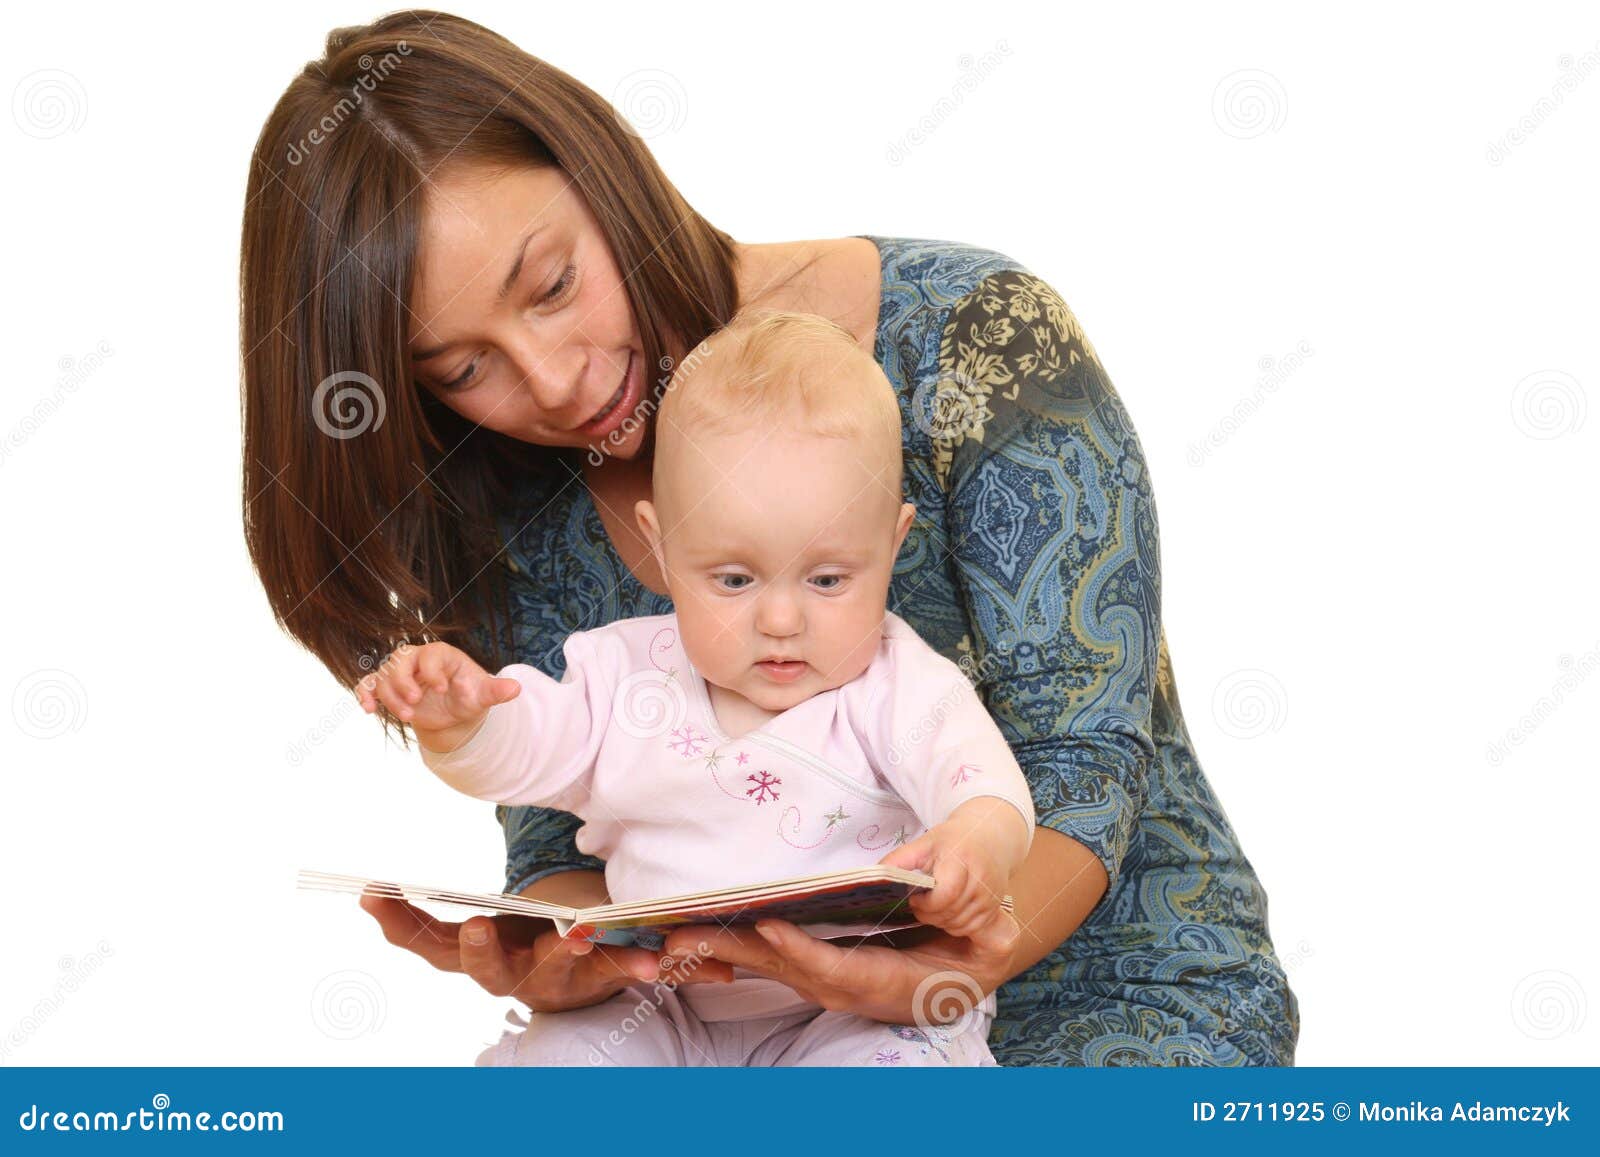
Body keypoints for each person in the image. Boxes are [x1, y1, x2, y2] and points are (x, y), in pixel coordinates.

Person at [240, 10, 1301, 1065]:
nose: (555, 381)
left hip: (1114, 993)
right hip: (718, 1025)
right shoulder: (498, 494)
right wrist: (565, 949)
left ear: (602, 164)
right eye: (465, 368)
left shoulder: (973, 341)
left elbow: (1080, 763)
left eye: (554, 284)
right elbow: (560, 838)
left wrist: (939, 969)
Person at [360, 311, 1038, 1065]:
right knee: (563, 1062)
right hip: (656, 1000)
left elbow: (984, 784)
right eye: (734, 579)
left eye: (828, 578)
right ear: (663, 546)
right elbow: (527, 749)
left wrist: (977, 844)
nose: (781, 618)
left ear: (892, 542)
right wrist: (460, 724)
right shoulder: (624, 677)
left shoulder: (900, 684)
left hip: (853, 1012)